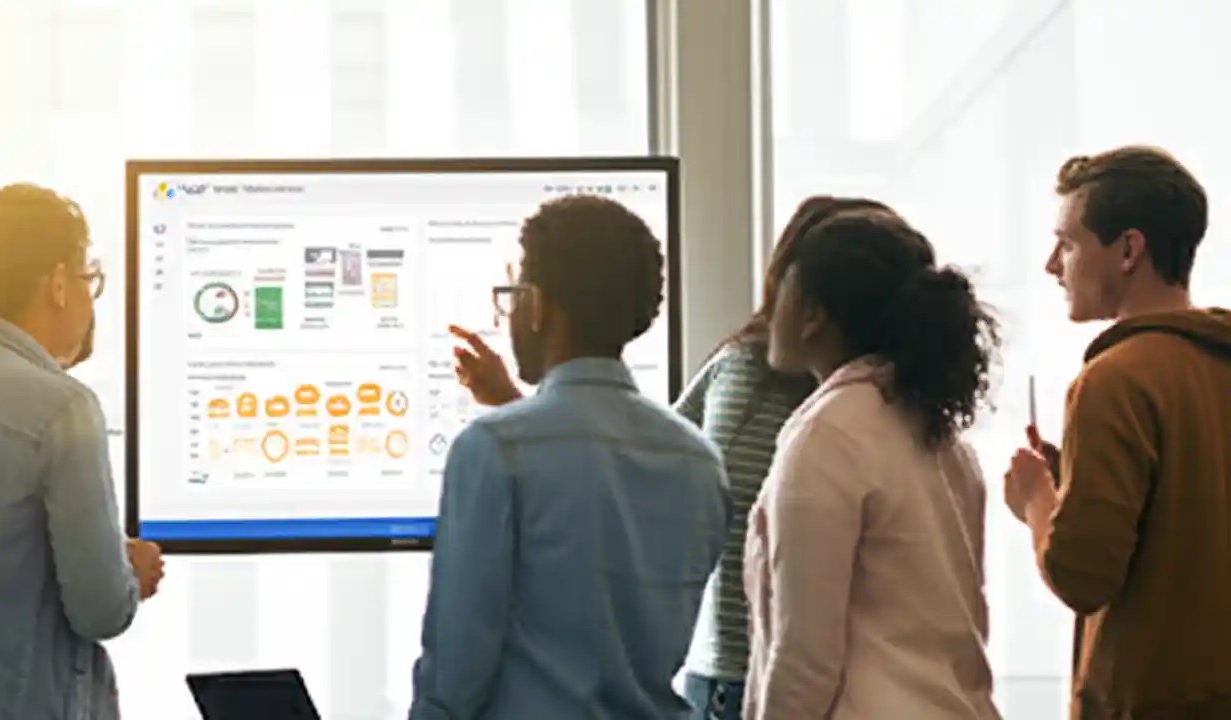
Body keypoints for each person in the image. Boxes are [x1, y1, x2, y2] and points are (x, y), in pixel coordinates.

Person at [450, 194, 898, 720]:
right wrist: (516, 406)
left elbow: (634, 466)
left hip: (761, 678)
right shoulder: (795, 385)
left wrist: (514, 411)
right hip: (760, 677)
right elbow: (637, 458)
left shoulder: (800, 402)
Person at [409, 195, 730, 719]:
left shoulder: (493, 450)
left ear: (537, 305)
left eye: (512, 296)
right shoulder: (698, 460)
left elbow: (455, 673)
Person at [743, 209, 1001, 719]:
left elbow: (806, 659)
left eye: (783, 289)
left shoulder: (827, 434)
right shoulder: (938, 431)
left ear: (813, 315)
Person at [1005, 146, 1231, 719]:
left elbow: (1081, 575)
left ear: (1129, 249)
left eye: (1068, 243)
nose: (1051, 265)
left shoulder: (1114, 380)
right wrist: (1077, 480)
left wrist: (1037, 499)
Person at [0, 184, 165, 720]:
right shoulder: (63, 409)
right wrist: (126, 571)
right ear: (60, 285)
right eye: (92, 281)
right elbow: (100, 609)